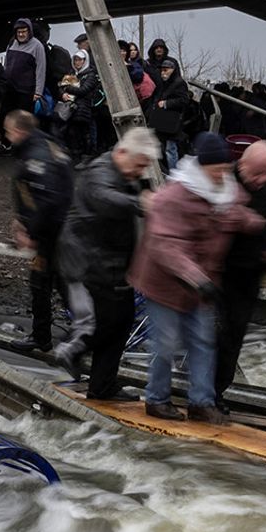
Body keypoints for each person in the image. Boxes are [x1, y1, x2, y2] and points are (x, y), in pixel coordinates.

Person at [129, 133, 266, 423]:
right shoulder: (175, 196)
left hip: (201, 285)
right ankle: (157, 399)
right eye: (215, 169)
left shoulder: (227, 191)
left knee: (203, 341)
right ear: (202, 167)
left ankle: (201, 402)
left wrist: (260, 225)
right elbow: (165, 245)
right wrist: (198, 278)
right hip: (165, 284)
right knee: (166, 343)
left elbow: (235, 215)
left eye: (225, 168)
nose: (221, 174)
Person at [55, 127, 159, 398]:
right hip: (90, 262)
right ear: (122, 152)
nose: (140, 172)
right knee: (108, 322)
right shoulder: (99, 171)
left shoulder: (126, 174)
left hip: (113, 263)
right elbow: (105, 199)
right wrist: (140, 203)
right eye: (138, 166)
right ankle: (73, 348)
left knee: (122, 321)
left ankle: (102, 385)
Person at [215, 140, 266, 406]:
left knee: (233, 336)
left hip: (249, 274)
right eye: (256, 173)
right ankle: (200, 393)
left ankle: (216, 393)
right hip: (218, 271)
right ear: (242, 165)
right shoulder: (225, 180)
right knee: (208, 334)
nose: (261, 180)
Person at [6, 110, 75, 354]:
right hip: (56, 230)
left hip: (53, 233)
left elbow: (46, 199)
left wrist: (31, 233)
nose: (8, 137)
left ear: (18, 131)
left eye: (9, 132)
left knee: (58, 285)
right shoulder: (46, 145)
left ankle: (76, 339)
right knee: (45, 284)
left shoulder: (38, 156)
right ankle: (43, 335)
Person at [145, 48, 194, 171]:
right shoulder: (163, 83)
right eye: (162, 70)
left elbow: (184, 100)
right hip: (162, 120)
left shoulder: (179, 83)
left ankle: (173, 174)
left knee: (170, 149)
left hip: (172, 120)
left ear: (173, 70)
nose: (163, 73)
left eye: (166, 70)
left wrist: (167, 103)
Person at [1, 18, 46, 120]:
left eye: (23, 32)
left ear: (29, 31)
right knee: (5, 117)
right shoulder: (12, 42)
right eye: (18, 32)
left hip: (25, 91)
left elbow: (41, 69)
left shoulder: (37, 46)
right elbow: (6, 64)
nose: (21, 34)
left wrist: (38, 92)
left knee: (22, 120)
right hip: (9, 89)